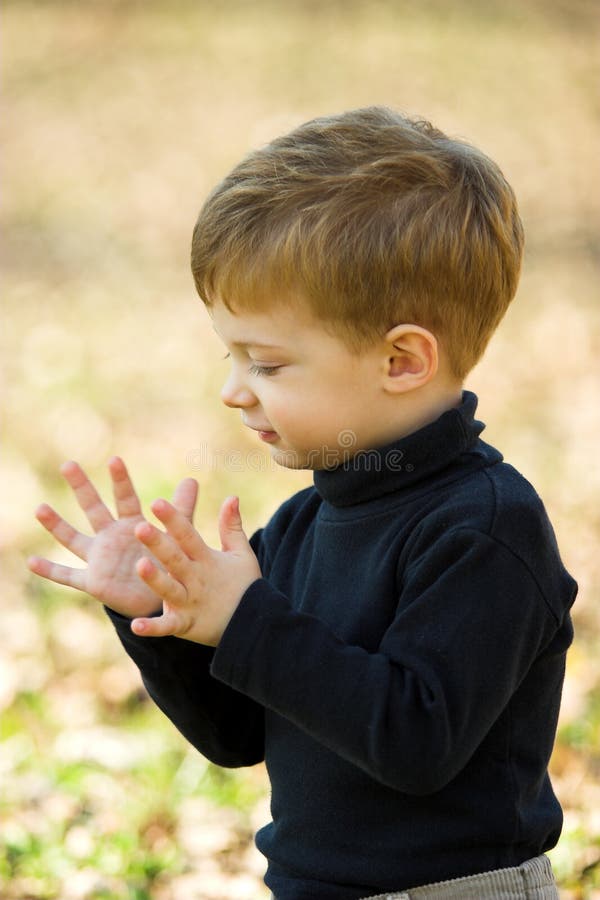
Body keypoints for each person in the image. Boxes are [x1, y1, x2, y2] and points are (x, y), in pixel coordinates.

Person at [28, 107, 577, 900]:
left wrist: (248, 618)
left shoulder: (485, 527)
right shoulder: (301, 526)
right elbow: (237, 734)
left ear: (401, 359)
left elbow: (415, 742)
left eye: (267, 363)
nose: (230, 391)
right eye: (231, 356)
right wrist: (166, 618)